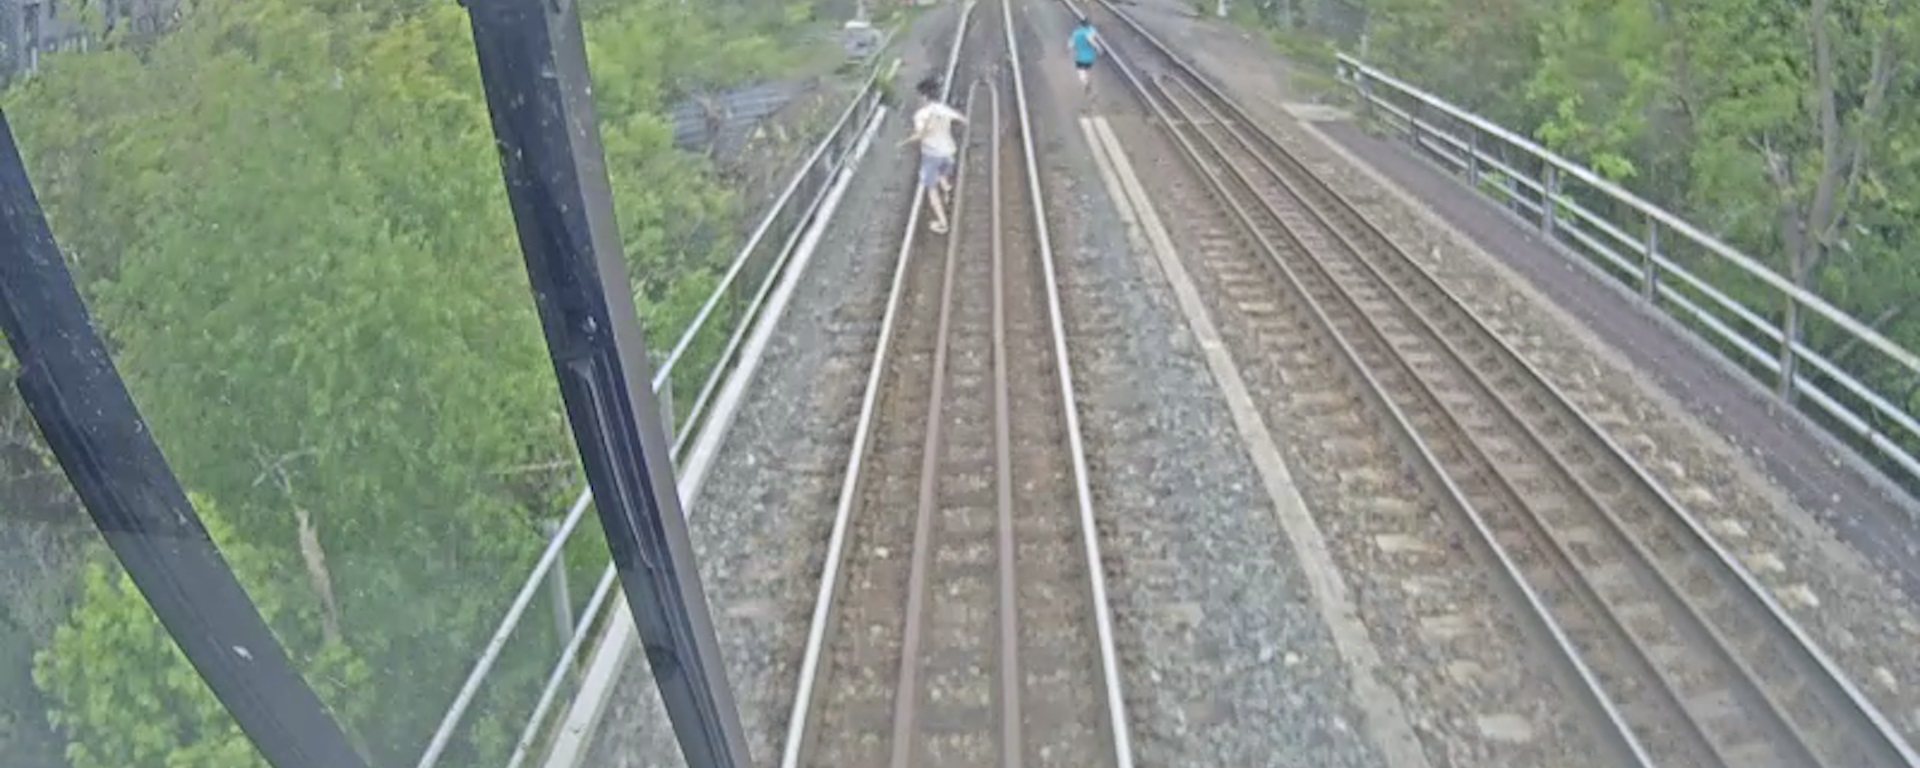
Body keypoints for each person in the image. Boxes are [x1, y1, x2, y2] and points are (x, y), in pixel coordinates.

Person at [900, 76, 966, 234]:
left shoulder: (921, 115)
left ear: (923, 96)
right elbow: (963, 119)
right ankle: (948, 189)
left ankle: (942, 223)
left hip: (932, 155)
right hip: (949, 151)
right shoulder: (943, 109)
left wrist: (903, 142)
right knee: (943, 173)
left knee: (931, 188)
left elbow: (920, 135)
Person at [1069, 17, 1104, 98]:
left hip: (1079, 58)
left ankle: (1085, 83)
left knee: (1081, 72)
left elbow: (1070, 44)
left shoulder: (1076, 33)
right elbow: (1091, 39)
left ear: (1080, 25)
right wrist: (1098, 48)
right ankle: (1089, 83)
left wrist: (1069, 50)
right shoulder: (1090, 30)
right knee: (1088, 70)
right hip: (1090, 58)